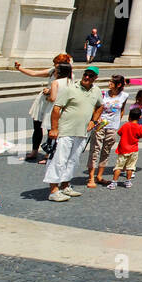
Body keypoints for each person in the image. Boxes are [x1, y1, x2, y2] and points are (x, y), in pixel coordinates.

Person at [43, 65, 104, 202]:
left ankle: (65, 185)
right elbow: (57, 108)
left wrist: (94, 121)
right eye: (85, 74)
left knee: (73, 161)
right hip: (65, 130)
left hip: (82, 132)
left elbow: (100, 105)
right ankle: (53, 190)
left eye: (91, 75)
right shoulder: (71, 89)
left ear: (95, 78)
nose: (87, 77)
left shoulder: (97, 91)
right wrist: (54, 128)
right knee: (59, 160)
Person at [15, 53, 71, 162]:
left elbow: (66, 91)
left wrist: (50, 91)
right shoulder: (52, 71)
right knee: (37, 125)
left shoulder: (68, 76)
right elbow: (35, 73)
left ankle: (48, 153)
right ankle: (34, 151)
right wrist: (20, 68)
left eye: (57, 64)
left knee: (51, 128)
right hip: (43, 101)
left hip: (54, 103)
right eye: (55, 64)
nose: (55, 66)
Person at [87, 75, 128, 188]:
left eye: (111, 81)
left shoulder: (124, 96)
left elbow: (122, 110)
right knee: (95, 150)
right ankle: (91, 178)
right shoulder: (103, 93)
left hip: (112, 127)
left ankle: (99, 176)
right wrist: (94, 120)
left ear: (118, 84)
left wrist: (117, 122)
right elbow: (95, 108)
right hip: (99, 125)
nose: (109, 83)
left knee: (106, 151)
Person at [108, 107, 142, 189]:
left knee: (118, 166)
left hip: (123, 149)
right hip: (134, 150)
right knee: (130, 167)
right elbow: (140, 136)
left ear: (129, 117)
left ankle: (114, 182)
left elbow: (119, 133)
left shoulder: (125, 125)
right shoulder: (140, 127)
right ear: (140, 117)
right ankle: (128, 182)